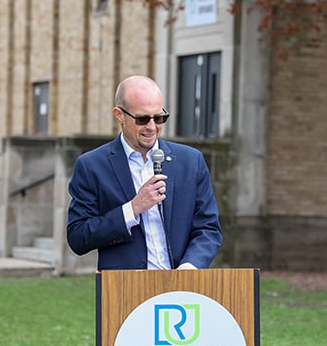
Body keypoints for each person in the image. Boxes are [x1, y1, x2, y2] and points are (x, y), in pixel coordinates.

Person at [67, 75, 222, 270]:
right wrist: (132, 209)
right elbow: (78, 236)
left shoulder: (191, 161)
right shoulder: (91, 166)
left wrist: (190, 267)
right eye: (142, 119)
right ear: (119, 115)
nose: (151, 127)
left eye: (159, 118)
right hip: (125, 290)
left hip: (182, 288)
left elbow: (208, 228)